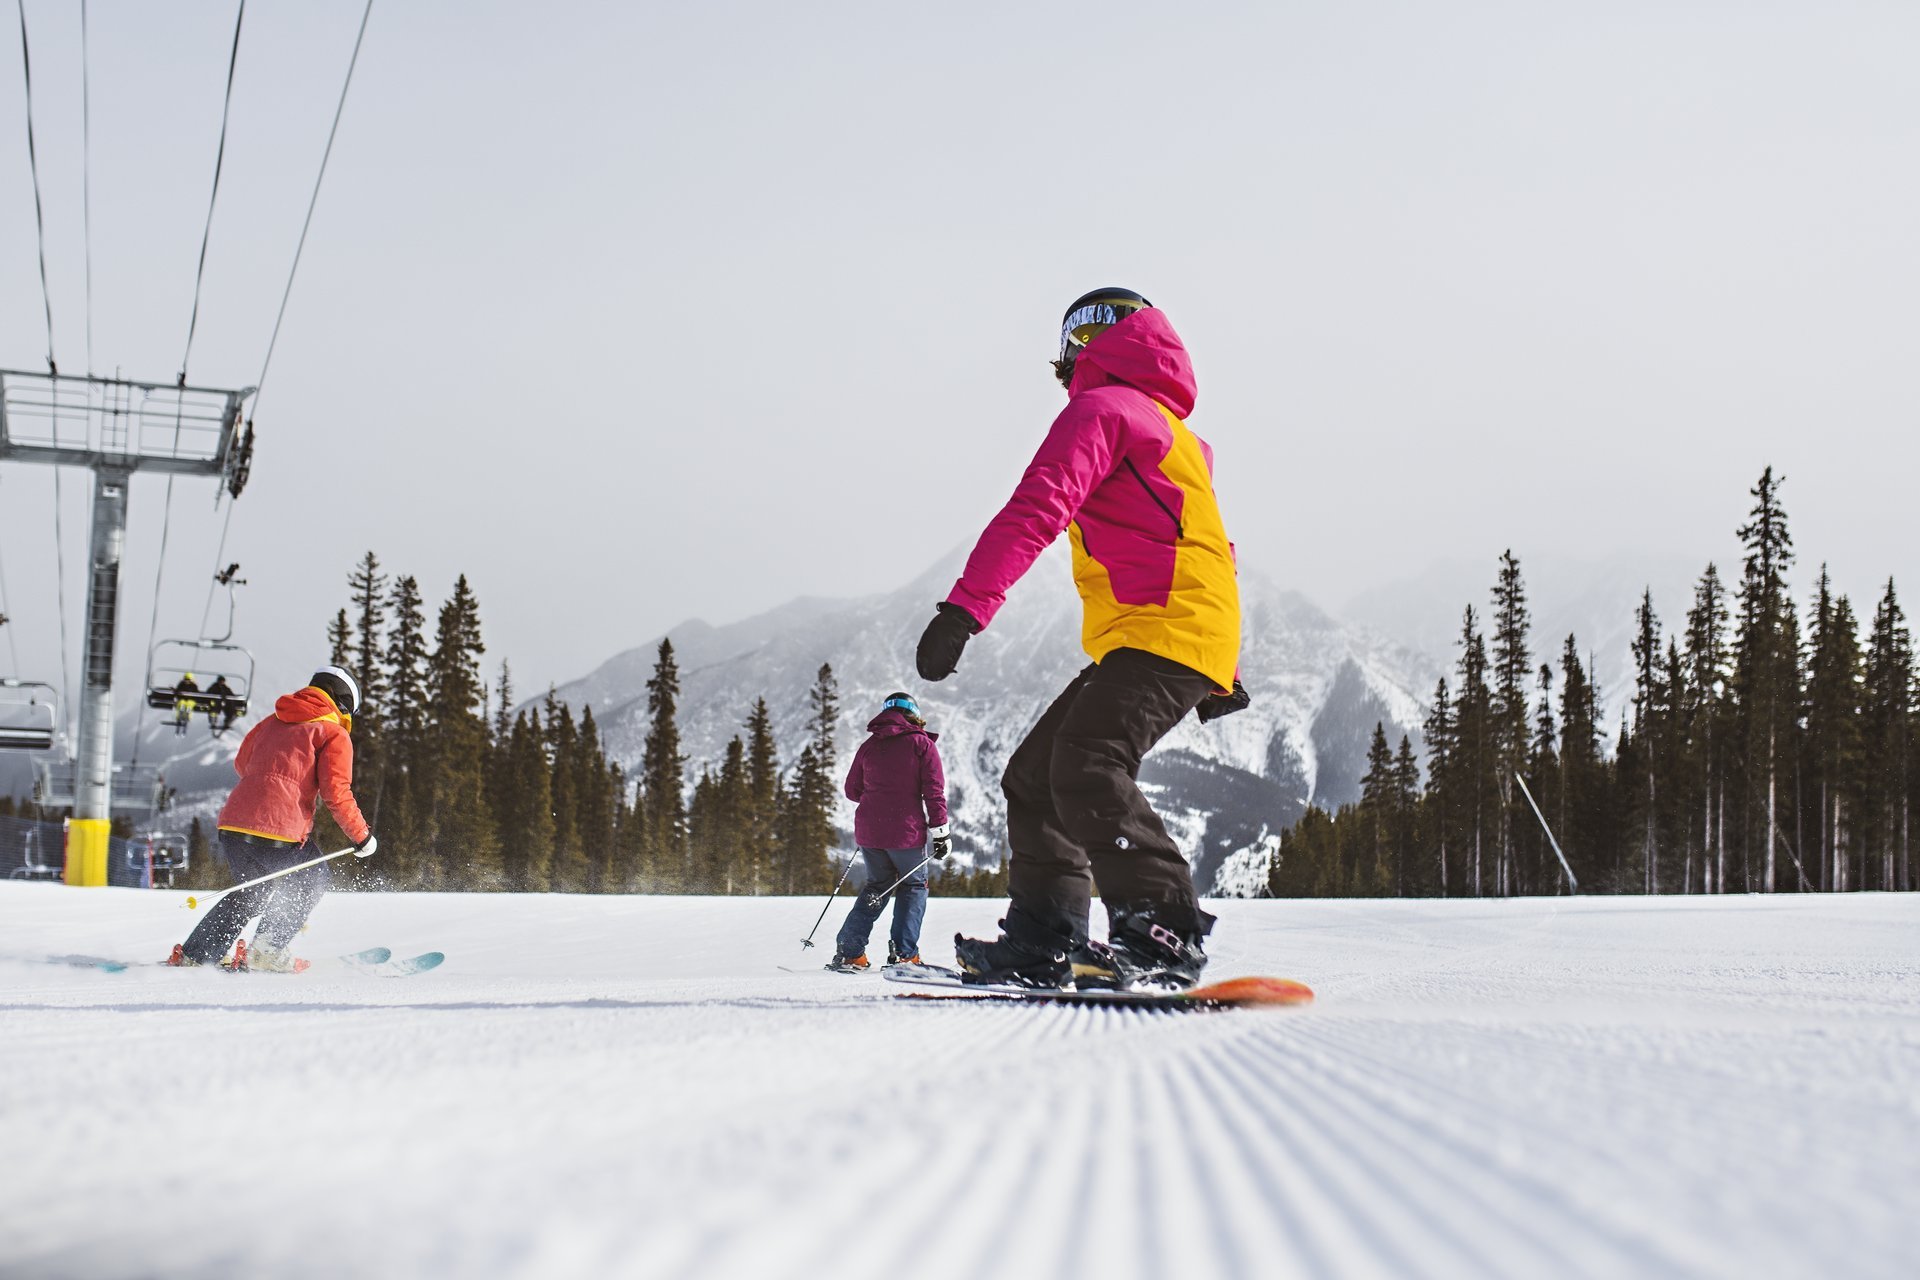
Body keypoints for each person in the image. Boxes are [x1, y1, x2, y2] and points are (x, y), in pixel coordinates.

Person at [915, 287, 1250, 992]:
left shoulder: (1103, 411)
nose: (1070, 352)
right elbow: (1211, 544)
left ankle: (1164, 930)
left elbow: (1038, 506)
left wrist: (963, 611)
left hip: (1165, 627)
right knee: (1034, 780)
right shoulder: (1174, 431)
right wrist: (1224, 660)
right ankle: (1044, 937)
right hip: (1167, 630)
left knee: (1088, 765)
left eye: (1080, 333)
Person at [168, 666, 377, 971]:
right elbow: (336, 792)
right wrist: (362, 837)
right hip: (279, 830)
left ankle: (196, 955)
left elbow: (242, 763)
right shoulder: (333, 733)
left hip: (234, 826)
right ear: (343, 704)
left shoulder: (271, 722)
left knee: (252, 892)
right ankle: (267, 950)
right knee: (312, 879)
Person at [826, 693, 951, 972]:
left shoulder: (869, 746)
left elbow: (851, 790)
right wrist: (940, 831)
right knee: (913, 886)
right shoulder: (921, 745)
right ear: (914, 714)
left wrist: (878, 799)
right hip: (905, 833)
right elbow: (934, 791)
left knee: (877, 885)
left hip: (870, 832)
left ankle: (850, 952)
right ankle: (905, 955)